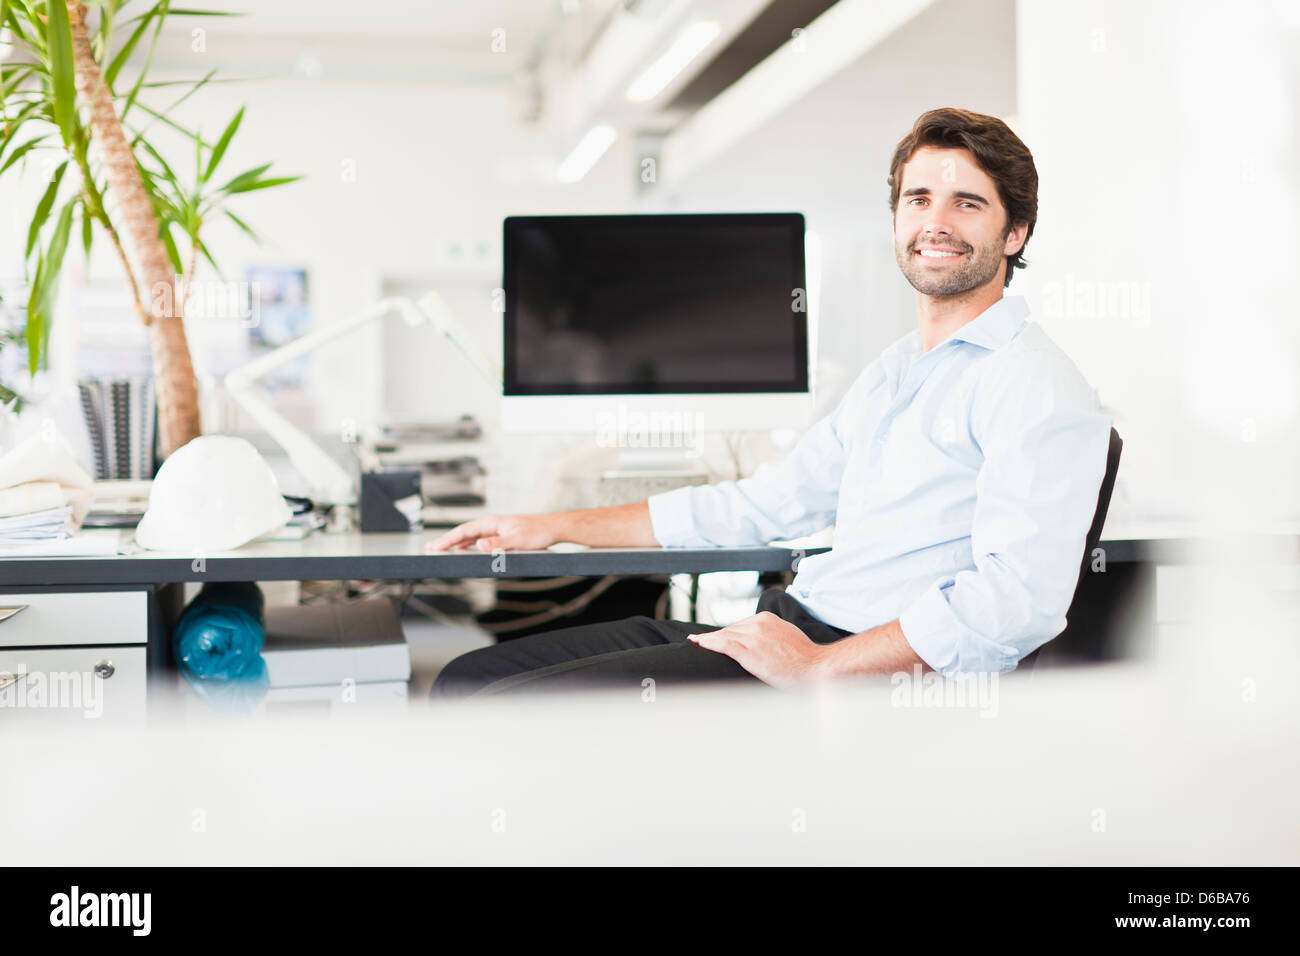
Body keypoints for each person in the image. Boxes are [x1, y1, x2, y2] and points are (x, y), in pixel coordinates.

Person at [430, 107, 1111, 699]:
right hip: (788, 627)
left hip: (851, 662)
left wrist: (821, 668)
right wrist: (554, 525)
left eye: (967, 203)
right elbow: (766, 504)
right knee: (466, 679)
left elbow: (1016, 603)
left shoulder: (1033, 383)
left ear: (1014, 233)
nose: (936, 222)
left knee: (508, 708)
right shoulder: (897, 369)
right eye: (918, 198)